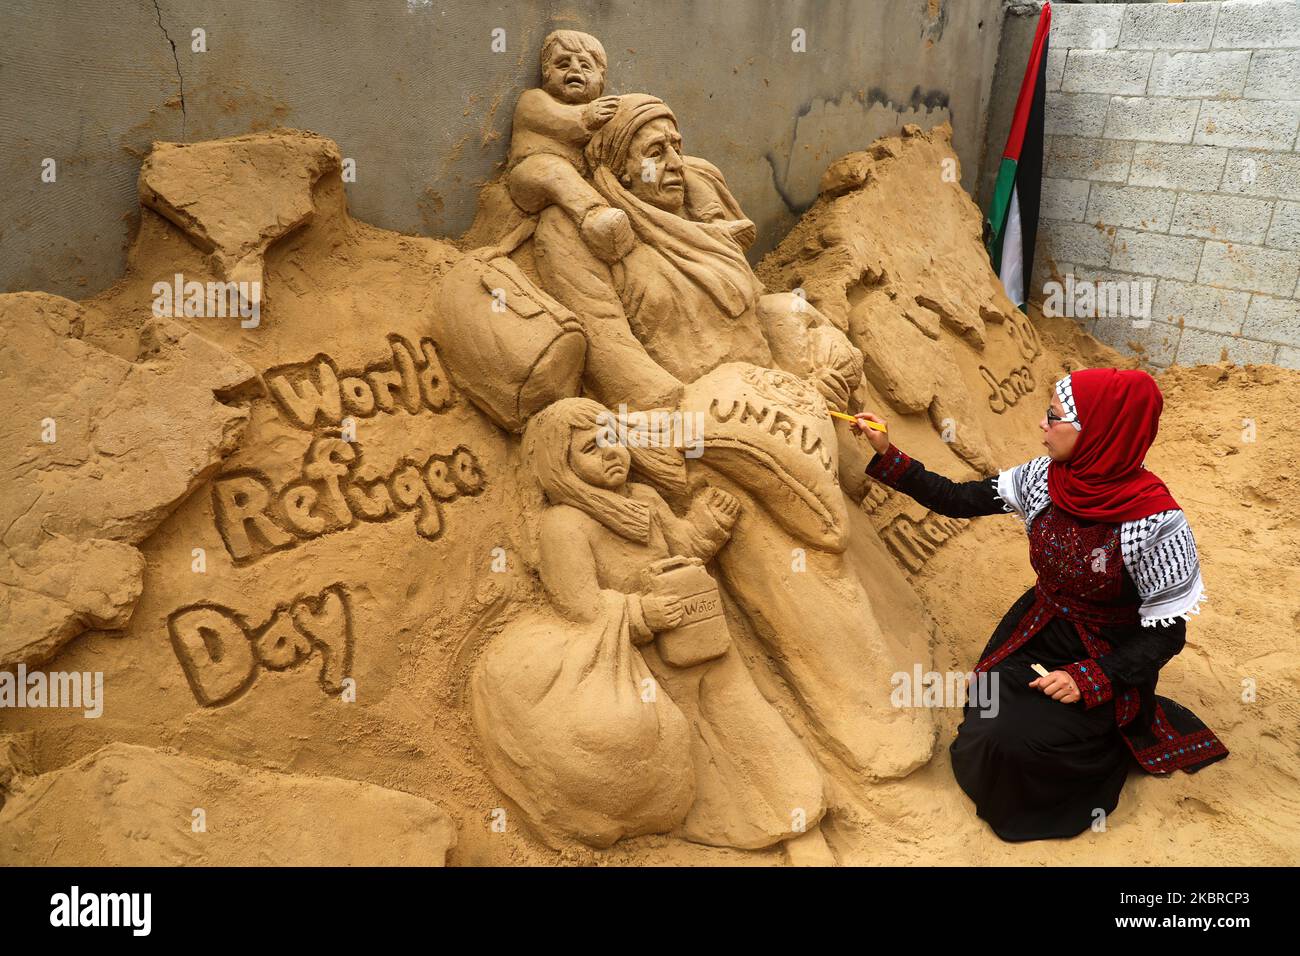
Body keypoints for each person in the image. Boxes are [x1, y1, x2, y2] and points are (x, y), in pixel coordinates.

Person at [853, 367, 1228, 841]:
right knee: (986, 725)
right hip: (1038, 632)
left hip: (1107, 657)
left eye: (1054, 417)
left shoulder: (1155, 523)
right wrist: (887, 452)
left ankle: (1108, 744)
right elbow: (957, 498)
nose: (1041, 427)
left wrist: (1091, 678)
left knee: (1023, 748)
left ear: (1099, 431)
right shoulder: (1043, 478)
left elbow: (1166, 635)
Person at [506, 30, 636, 263]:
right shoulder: (533, 100)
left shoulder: (601, 114)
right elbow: (559, 120)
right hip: (531, 178)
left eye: (586, 66)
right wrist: (587, 116)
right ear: (546, 72)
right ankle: (595, 218)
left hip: (575, 182)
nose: (574, 70)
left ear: (601, 79)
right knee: (553, 169)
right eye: (563, 64)